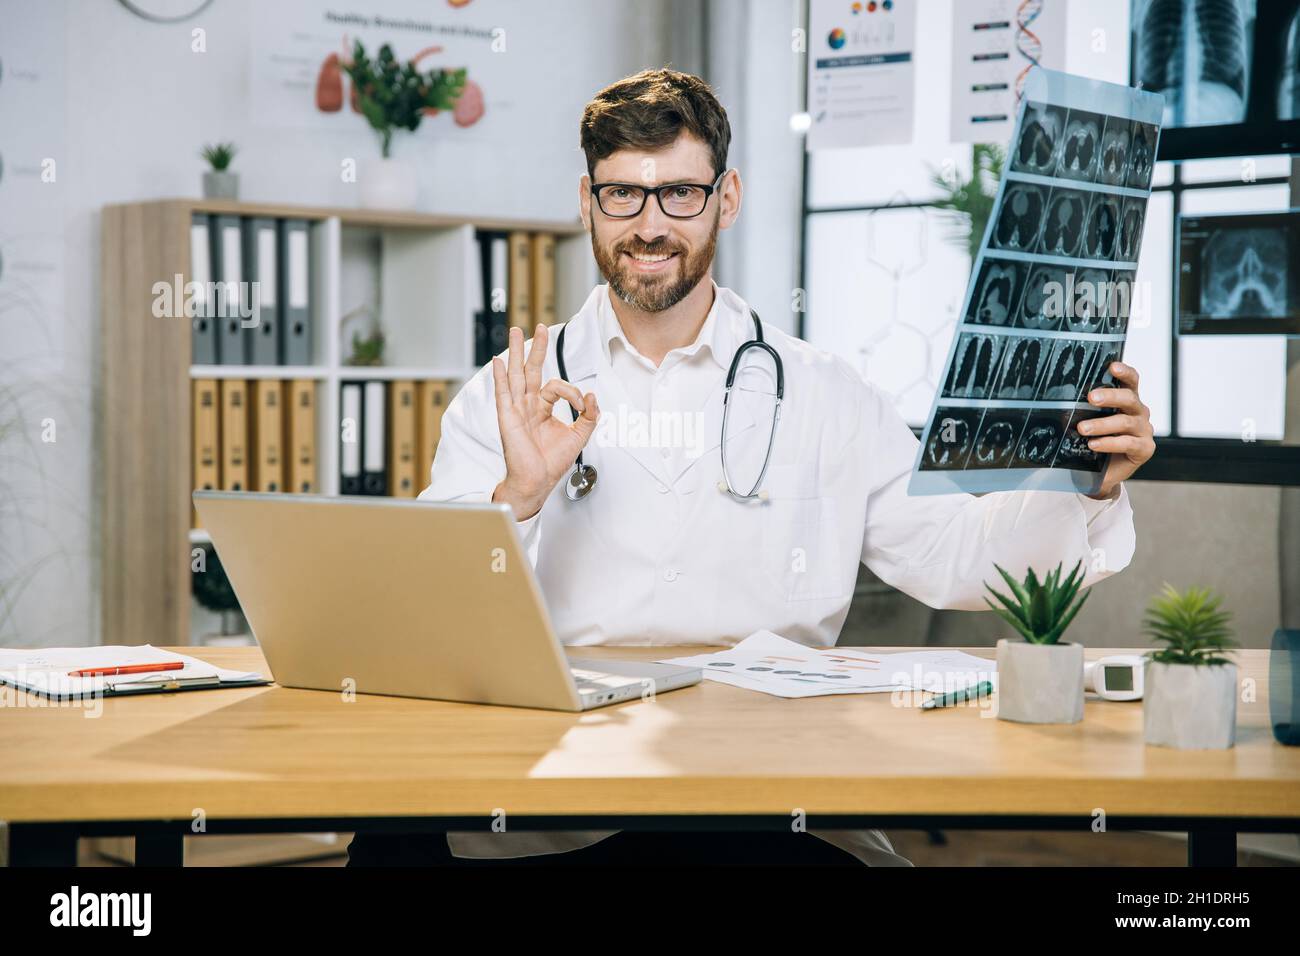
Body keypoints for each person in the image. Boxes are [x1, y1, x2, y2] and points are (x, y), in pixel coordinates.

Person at [347, 68, 1153, 867]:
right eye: (622, 193)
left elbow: (958, 561)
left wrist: (1091, 478)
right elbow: (439, 627)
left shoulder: (825, 392)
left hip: (770, 791)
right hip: (561, 792)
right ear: (587, 201)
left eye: (680, 194)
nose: (649, 224)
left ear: (726, 199)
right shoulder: (507, 392)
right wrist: (519, 495)